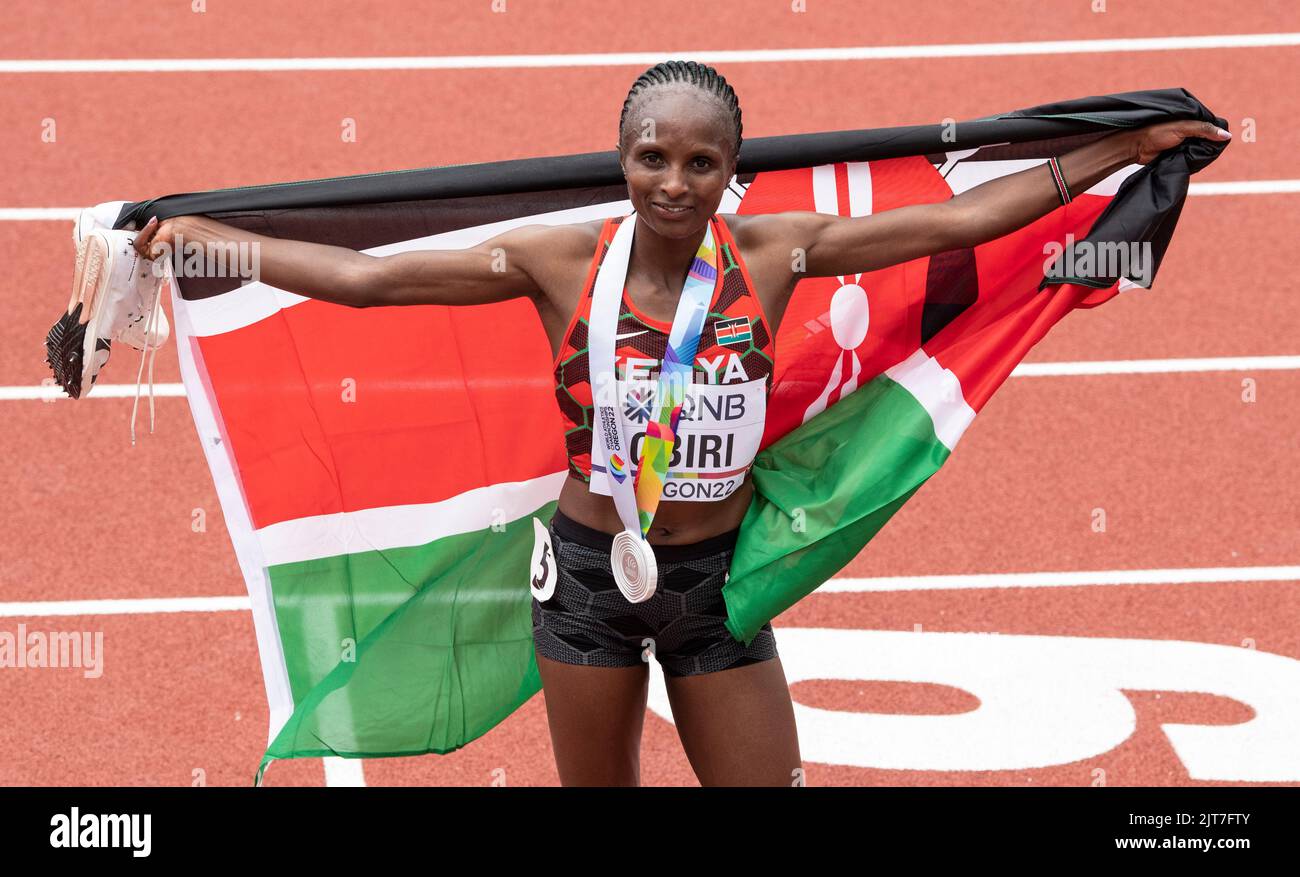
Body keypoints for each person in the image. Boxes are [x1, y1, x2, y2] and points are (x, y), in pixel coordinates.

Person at [129, 60, 1229, 786]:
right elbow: (369, 281)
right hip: (589, 583)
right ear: (623, 160)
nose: (673, 182)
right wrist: (205, 244)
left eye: (700, 162)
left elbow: (960, 217)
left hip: (719, 584)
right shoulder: (563, 261)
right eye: (653, 157)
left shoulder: (771, 252)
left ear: (728, 171)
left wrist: (1120, 152)